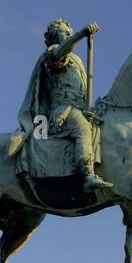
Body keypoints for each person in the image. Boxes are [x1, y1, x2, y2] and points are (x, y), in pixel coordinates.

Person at [18, 19, 113, 192]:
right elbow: (60, 53)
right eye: (65, 32)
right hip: (61, 112)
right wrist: (80, 35)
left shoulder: (76, 60)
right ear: (55, 36)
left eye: (71, 32)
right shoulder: (53, 52)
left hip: (79, 109)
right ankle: (87, 174)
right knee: (82, 126)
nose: (69, 34)